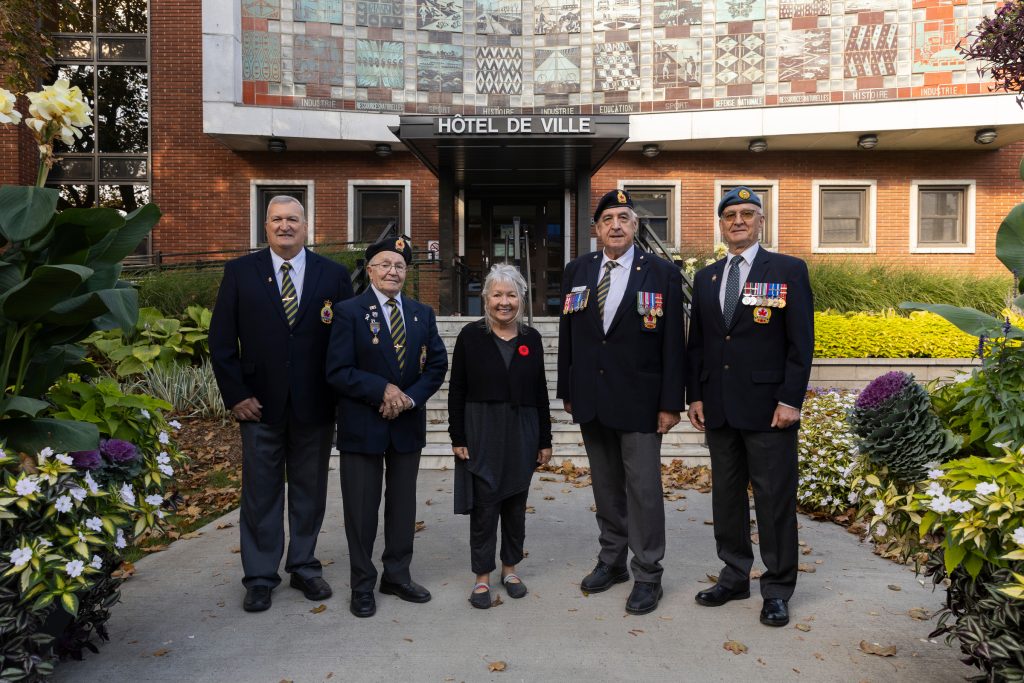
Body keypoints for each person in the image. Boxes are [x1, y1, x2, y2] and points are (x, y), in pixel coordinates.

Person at [209, 195, 353, 613]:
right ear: (265, 226)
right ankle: (259, 576)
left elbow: (345, 342)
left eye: (293, 219)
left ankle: (305, 566)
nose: (284, 226)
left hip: (316, 403)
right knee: (260, 493)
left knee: (310, 490)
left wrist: (341, 396)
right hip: (258, 405)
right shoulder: (239, 272)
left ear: (307, 226)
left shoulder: (334, 275)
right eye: (277, 219)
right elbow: (221, 342)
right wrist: (236, 395)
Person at [685, 186, 814, 627]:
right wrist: (695, 395)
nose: (737, 221)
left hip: (768, 410)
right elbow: (699, 343)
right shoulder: (708, 278)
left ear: (761, 221)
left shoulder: (788, 270)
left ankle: (776, 588)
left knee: (774, 500)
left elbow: (801, 342)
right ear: (721, 225)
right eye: (730, 215)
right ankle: (734, 574)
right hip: (719, 408)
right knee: (726, 499)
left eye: (746, 213)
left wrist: (790, 400)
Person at [556, 189, 685, 615]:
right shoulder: (578, 269)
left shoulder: (661, 272)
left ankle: (648, 573)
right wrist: (567, 390)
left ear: (635, 227)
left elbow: (672, 343)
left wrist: (671, 403)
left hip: (641, 402)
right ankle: (612, 561)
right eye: (608, 218)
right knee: (606, 487)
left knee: (644, 490)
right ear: (596, 229)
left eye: (624, 218)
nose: (616, 224)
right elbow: (569, 336)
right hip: (592, 399)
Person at [326, 236, 448, 618]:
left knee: (401, 506)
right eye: (384, 264)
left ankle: (397, 575)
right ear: (370, 269)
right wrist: (384, 390)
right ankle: (362, 584)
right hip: (363, 423)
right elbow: (338, 370)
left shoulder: (421, 313)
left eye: (399, 265)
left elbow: (437, 366)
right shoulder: (348, 311)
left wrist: (407, 399)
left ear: (406, 272)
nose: (392, 270)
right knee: (361, 510)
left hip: (406, 424)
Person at [448, 264, 553, 609]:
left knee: (515, 504)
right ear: (486, 298)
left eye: (511, 295)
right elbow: (457, 390)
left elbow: (540, 391)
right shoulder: (470, 336)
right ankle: (482, 576)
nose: (504, 302)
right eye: (497, 295)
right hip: (482, 428)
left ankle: (510, 569)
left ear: (521, 299)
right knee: (485, 505)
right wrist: (457, 435)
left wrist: (545, 440)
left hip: (522, 429)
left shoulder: (531, 339)